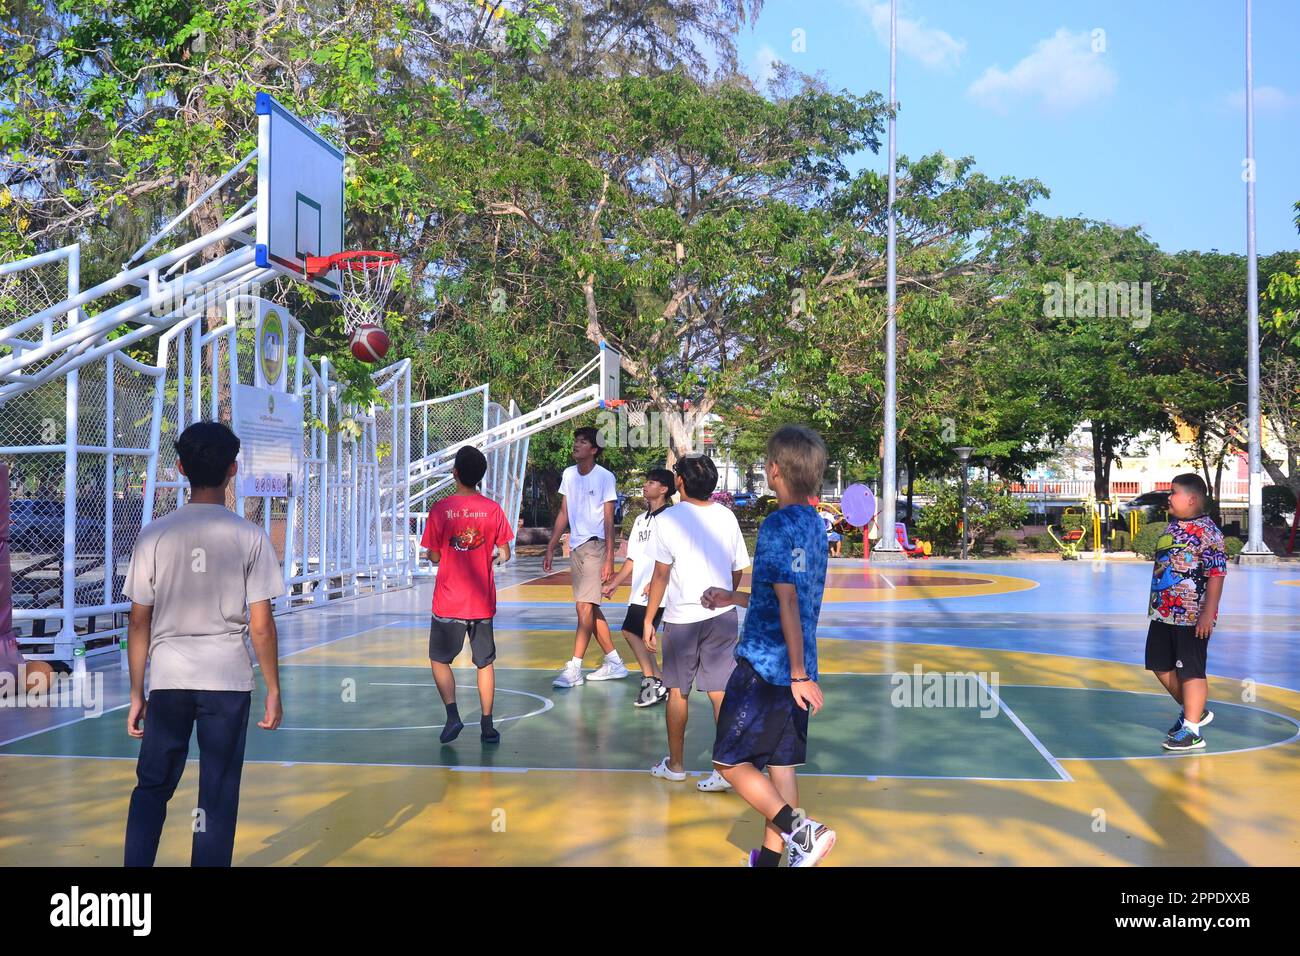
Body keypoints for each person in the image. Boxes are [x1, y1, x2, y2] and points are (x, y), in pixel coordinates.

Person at [122, 421, 284, 867]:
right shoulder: (249, 536)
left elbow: (139, 622)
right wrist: (273, 688)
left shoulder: (154, 534)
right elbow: (261, 626)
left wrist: (138, 692)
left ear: (179, 468)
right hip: (227, 680)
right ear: (233, 470)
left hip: (170, 678)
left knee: (152, 786)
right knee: (216, 793)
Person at [702, 425, 836, 867]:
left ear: (774, 470)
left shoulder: (777, 525)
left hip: (767, 666)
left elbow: (788, 600)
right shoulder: (815, 525)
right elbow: (783, 593)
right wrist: (733, 598)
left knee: (727, 762)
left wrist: (795, 673)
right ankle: (773, 863)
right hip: (798, 663)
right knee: (781, 769)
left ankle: (803, 832)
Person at [642, 454, 750, 792]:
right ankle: (726, 768)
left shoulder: (668, 519)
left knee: (678, 691)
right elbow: (737, 569)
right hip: (721, 617)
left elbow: (660, 574)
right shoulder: (727, 517)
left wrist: (649, 619)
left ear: (681, 483)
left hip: (682, 618)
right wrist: (724, 596)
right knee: (720, 692)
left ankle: (676, 765)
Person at [421, 445, 514, 744]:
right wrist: (489, 558)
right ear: (481, 476)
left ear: (455, 473)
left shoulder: (440, 509)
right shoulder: (493, 510)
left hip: (449, 600)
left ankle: (452, 716)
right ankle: (487, 725)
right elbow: (505, 553)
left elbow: (434, 556)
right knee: (484, 662)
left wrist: (442, 556)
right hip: (481, 601)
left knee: (439, 658)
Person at [1146, 473, 1227, 752]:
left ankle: (1192, 730)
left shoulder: (1209, 532)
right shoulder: (1174, 527)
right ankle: (1196, 710)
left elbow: (1217, 574)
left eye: (1173, 492)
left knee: (1190, 670)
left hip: (1192, 615)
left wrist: (1208, 613)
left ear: (1191, 499)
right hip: (1163, 612)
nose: (1169, 497)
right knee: (1159, 664)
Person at [545, 427, 629, 687]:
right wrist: (551, 545)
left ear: (594, 449)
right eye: (576, 441)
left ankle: (575, 668)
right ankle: (614, 662)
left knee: (584, 607)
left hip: (596, 546)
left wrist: (609, 560)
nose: (577, 445)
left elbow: (608, 519)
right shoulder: (569, 474)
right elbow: (564, 512)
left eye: (583, 442)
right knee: (588, 608)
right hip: (577, 546)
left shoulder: (605, 477)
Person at [602, 468, 675, 707]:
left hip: (660, 591)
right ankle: (658, 680)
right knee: (637, 634)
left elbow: (675, 557)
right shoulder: (640, 520)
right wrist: (614, 582)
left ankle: (652, 679)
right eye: (645, 482)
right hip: (639, 592)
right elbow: (632, 559)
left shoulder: (672, 519)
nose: (645, 485)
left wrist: (655, 582)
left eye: (651, 482)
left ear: (664, 489)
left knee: (631, 631)